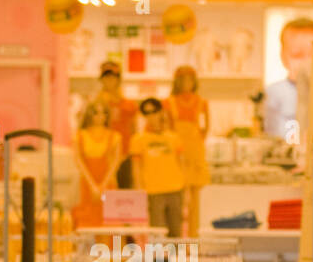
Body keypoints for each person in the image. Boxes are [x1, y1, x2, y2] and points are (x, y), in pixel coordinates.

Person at [129, 97, 186, 238]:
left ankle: (175, 260)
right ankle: (158, 260)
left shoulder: (174, 137)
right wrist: (139, 190)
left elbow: (182, 163)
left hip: (175, 189)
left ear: (161, 112)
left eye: (154, 111)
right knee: (157, 233)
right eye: (147, 113)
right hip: (153, 191)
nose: (151, 116)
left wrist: (187, 189)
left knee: (176, 231)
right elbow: (136, 167)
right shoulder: (138, 139)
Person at [263, 16, 313, 144]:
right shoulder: (274, 93)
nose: (307, 63)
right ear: (282, 56)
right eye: (297, 55)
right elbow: (273, 133)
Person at [165, 65, 210, 235]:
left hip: (195, 157)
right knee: (176, 201)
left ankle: (193, 240)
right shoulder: (168, 103)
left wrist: (196, 145)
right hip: (175, 157)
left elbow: (205, 128)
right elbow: (167, 128)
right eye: (182, 79)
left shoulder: (201, 103)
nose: (186, 83)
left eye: (190, 79)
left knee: (195, 203)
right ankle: (176, 241)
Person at [72, 100, 123, 228]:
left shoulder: (115, 136)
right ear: (89, 114)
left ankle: (109, 248)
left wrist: (102, 185)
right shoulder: (80, 135)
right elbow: (78, 160)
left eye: (103, 113)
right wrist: (92, 185)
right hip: (86, 184)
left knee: (109, 221)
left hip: (108, 182)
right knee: (87, 220)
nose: (100, 116)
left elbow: (115, 163)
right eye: (96, 113)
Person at [95, 60, 137, 188]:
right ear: (101, 80)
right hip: (103, 155)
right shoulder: (97, 105)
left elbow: (133, 130)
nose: (109, 81)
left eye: (112, 78)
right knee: (106, 192)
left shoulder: (129, 105)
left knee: (125, 192)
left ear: (118, 80)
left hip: (125, 155)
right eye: (106, 78)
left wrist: (129, 152)